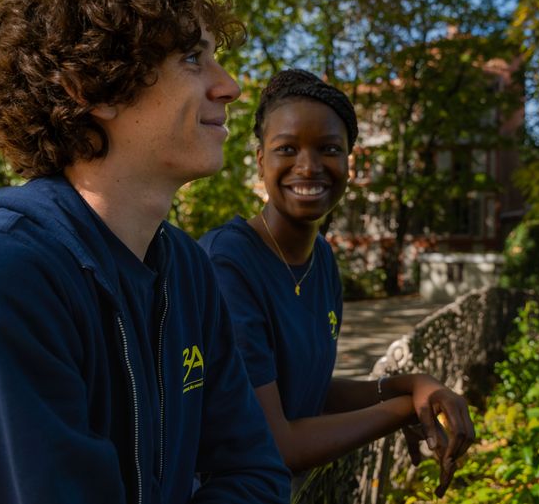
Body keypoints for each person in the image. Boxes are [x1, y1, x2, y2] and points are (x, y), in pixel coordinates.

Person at [0, 0, 290, 502]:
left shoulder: (185, 269)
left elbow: (256, 472)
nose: (229, 85)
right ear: (93, 86)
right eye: (192, 57)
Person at [199, 69, 476, 497]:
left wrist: (414, 384)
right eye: (286, 148)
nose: (308, 167)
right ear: (259, 161)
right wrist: (404, 410)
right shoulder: (228, 263)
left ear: (349, 160)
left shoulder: (322, 259)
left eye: (328, 149)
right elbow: (278, 442)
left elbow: (306, 395)